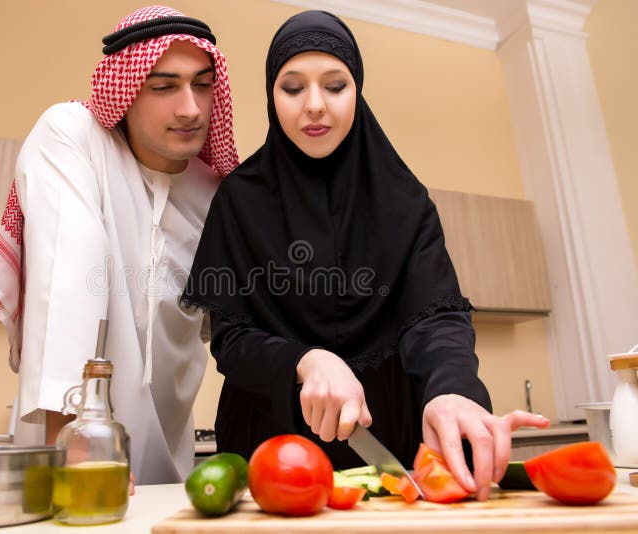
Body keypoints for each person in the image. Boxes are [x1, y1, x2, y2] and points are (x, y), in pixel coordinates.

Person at [181, 10, 547, 501]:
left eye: (335, 85)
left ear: (358, 92)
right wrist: (305, 360)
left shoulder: (404, 200)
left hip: (388, 443)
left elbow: (434, 316)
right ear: (271, 95)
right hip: (270, 450)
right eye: (293, 88)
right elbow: (232, 339)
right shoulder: (238, 200)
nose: (315, 105)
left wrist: (452, 387)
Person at [0, 5, 239, 485]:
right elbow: (69, 283)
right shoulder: (75, 138)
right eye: (164, 86)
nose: (191, 108)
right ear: (123, 92)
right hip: (68, 466)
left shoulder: (219, 196)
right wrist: (75, 464)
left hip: (168, 478)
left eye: (203, 85)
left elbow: (237, 332)